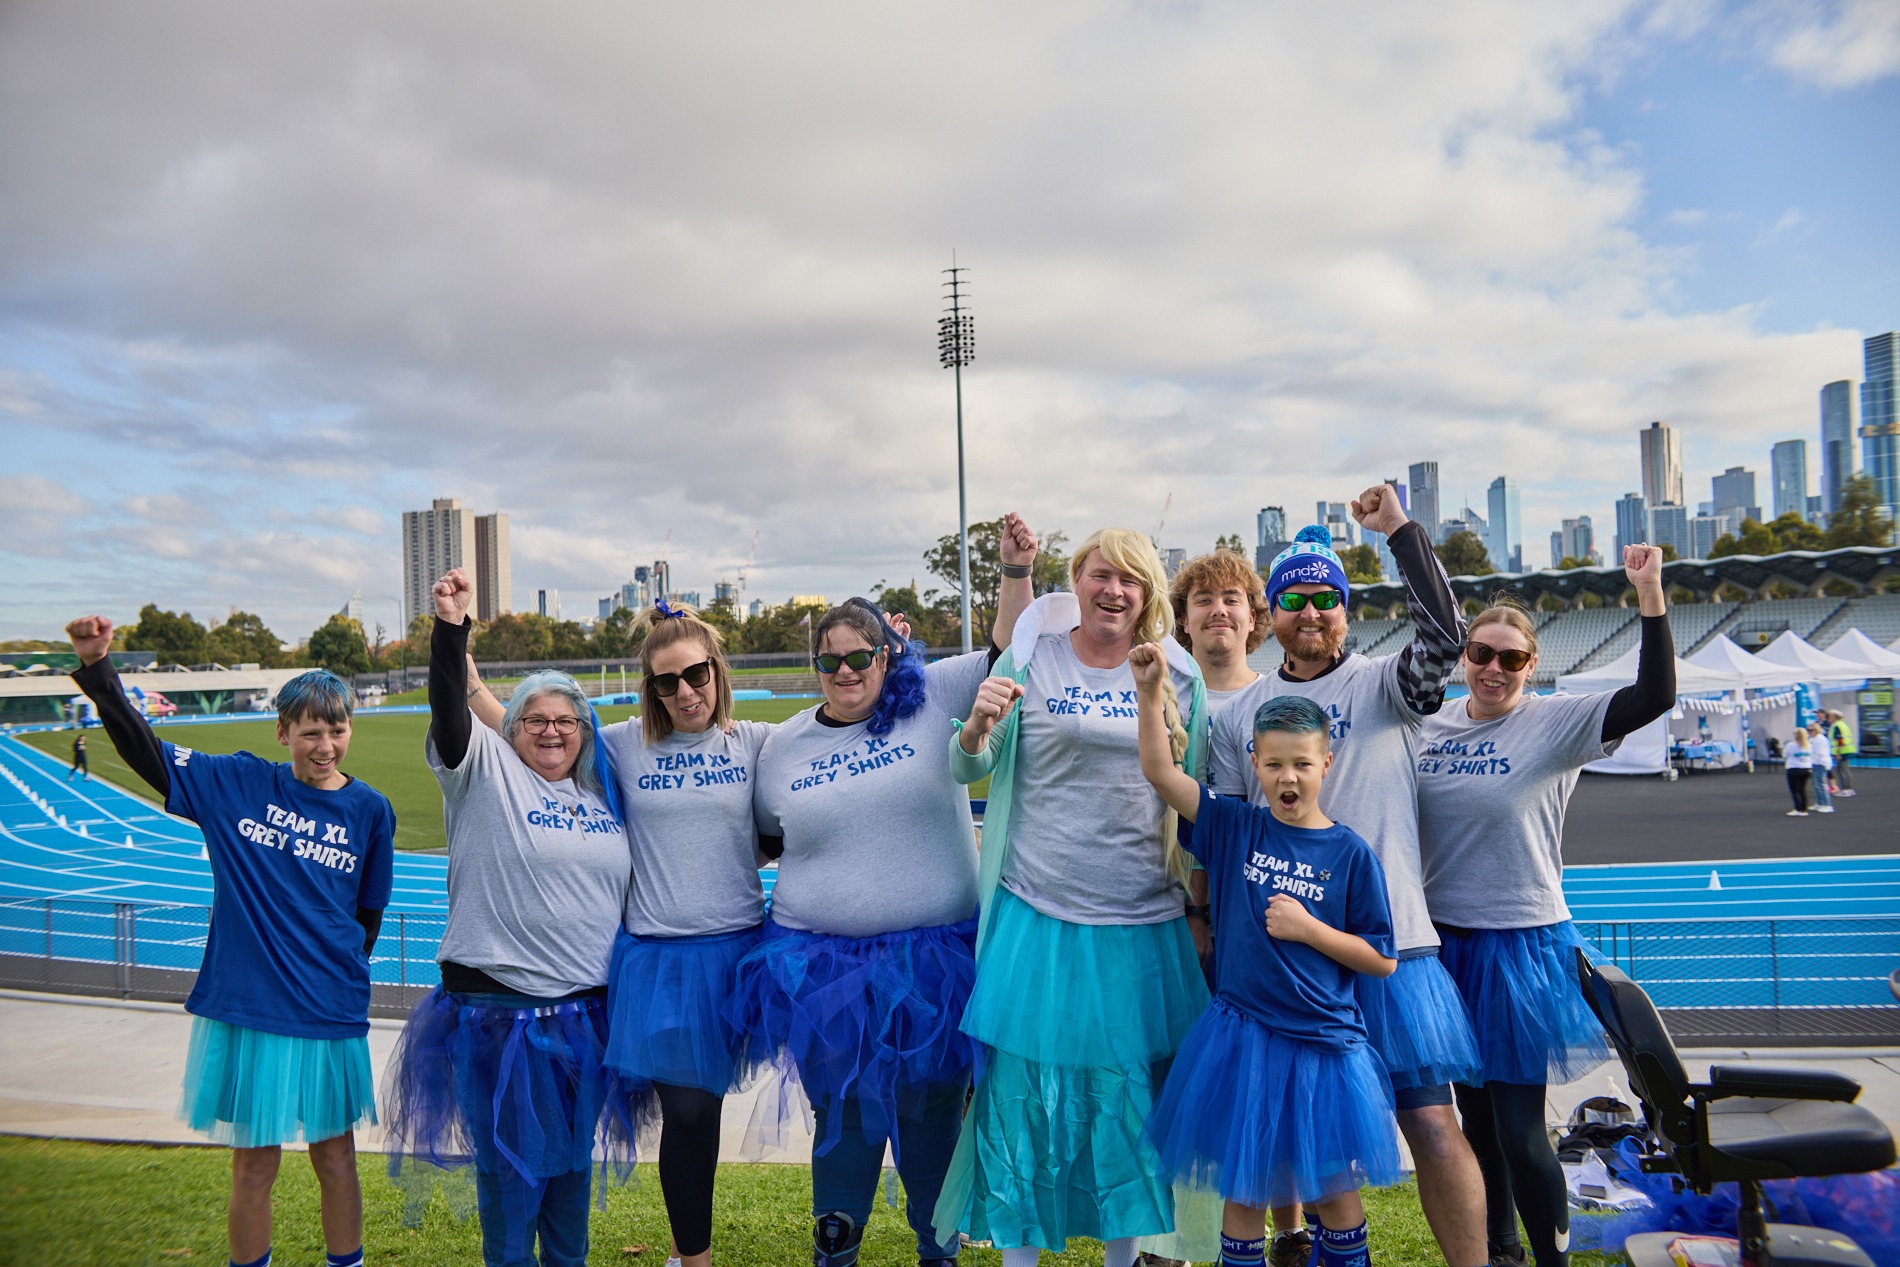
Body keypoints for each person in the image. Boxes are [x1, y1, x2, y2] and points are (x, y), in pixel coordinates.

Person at [1205, 491, 1486, 1267]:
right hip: (1288, 964)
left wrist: (1398, 531)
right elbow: (1228, 844)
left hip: (1389, 951)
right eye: (1292, 598)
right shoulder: (1242, 716)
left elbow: (1445, 635)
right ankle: (1305, 1246)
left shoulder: (1386, 683)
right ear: (1273, 611)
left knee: (1431, 1125)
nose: (1311, 611)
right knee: (1295, 1133)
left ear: (1345, 608)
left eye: (1326, 597)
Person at [64, 615, 393, 1267]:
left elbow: (368, 915)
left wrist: (331, 968)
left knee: (336, 1157)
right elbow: (145, 751)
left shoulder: (370, 809)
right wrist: (100, 669)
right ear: (284, 732)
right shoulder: (238, 783)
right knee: (253, 1165)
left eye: (337, 730)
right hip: (248, 1006)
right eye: (310, 732)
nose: (325, 745)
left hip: (328, 1006)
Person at [933, 527, 1211, 1267]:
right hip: (1040, 915)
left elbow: (1197, 808)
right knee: (1022, 1107)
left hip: (1141, 922)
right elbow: (971, 768)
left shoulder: (1178, 677)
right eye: (1099, 575)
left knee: (1126, 1113)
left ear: (1148, 593)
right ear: (1076, 583)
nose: (1113, 589)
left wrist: (1204, 911)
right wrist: (974, 730)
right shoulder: (1036, 657)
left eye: (1130, 578)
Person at [725, 590, 1021, 1267]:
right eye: (830, 661)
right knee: (845, 1124)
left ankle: (936, 1249)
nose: (846, 670)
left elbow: (1007, 647)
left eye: (860, 656)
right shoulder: (784, 744)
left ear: (888, 654)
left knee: (930, 1119)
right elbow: (766, 839)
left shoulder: (931, 693)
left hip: (932, 968)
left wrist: (1014, 569)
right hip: (823, 974)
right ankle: (838, 1250)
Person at [1415, 544, 1675, 1267]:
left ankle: (1549, 1261)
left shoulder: (1554, 725)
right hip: (1444, 946)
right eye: (1481, 653)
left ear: (1533, 665)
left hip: (1520, 944)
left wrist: (1649, 593)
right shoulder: (1429, 728)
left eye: (1512, 659)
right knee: (1472, 1121)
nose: (1494, 668)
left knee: (1521, 1127)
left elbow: (1654, 697)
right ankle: (1500, 1253)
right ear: (1463, 655)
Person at [382, 568, 631, 1267]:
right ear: (512, 726)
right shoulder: (483, 767)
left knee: (570, 1187)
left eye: (565, 720)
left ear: (583, 730)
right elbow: (452, 709)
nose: (551, 731)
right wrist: (451, 629)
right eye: (535, 719)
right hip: (499, 1019)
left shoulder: (600, 796)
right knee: (511, 1191)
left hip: (584, 1020)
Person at [1136, 683, 1401, 1267]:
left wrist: (1311, 930)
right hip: (1243, 1041)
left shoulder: (1351, 854)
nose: (1289, 778)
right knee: (1245, 1187)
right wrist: (1148, 690)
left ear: (1326, 763)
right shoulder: (1236, 827)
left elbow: (1382, 958)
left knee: (1334, 1189)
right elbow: (1159, 771)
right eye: (1274, 763)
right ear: (1253, 762)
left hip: (1323, 1047)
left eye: (1302, 764)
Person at [598, 602, 772, 1267]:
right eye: (666, 682)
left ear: (716, 668)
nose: (684, 692)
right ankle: (694, 1260)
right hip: (660, 961)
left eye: (695, 673)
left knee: (706, 1109)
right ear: (651, 689)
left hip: (738, 955)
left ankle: (682, 1246)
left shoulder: (755, 741)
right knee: (690, 1112)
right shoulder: (622, 743)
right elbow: (533, 729)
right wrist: (462, 664)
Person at [1826, 711, 1857, 797]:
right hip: (1847, 749)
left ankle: (1846, 789)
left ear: (1835, 717)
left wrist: (1838, 753)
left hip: (1842, 751)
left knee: (1842, 770)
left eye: (1830, 716)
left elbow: (1840, 740)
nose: (1828, 718)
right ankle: (1850, 789)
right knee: (1845, 770)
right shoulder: (1843, 724)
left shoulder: (1837, 726)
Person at [1784, 726, 1813, 817]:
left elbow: (1785, 755)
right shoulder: (1809, 745)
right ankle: (1804, 808)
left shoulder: (1791, 745)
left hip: (1794, 768)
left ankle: (1798, 808)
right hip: (1806, 769)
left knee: (1795, 790)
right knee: (1803, 789)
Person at [1809, 728, 1837, 813]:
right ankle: (1820, 802)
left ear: (1816, 730)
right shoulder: (1812, 739)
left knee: (1821, 784)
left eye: (1811, 730)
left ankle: (1827, 804)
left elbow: (1820, 753)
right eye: (1808, 730)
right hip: (1814, 763)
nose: (1809, 732)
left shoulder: (1820, 739)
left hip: (1820, 763)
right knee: (1815, 784)